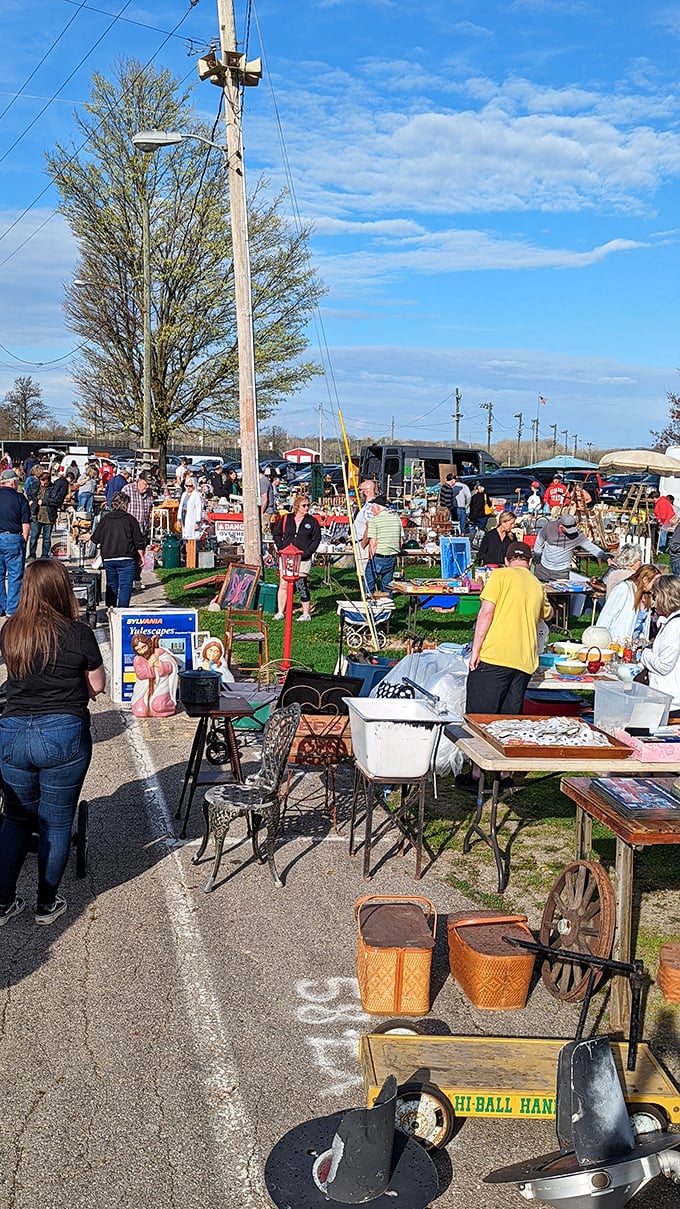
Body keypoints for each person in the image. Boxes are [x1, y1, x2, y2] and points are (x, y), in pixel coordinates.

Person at [0, 560, 105, 927]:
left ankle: (4, 901)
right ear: (62, 589)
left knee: (15, 818)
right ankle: (46, 903)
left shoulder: (12, 630)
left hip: (13, 730)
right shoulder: (78, 632)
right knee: (57, 820)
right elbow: (97, 686)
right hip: (62, 729)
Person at [465, 541, 553, 716]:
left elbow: (486, 612)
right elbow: (548, 614)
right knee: (508, 722)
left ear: (506, 560)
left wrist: (475, 650)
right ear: (529, 563)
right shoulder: (537, 584)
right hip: (524, 661)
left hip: (495, 656)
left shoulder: (499, 576)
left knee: (479, 721)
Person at [91, 492, 146, 608]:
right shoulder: (130, 520)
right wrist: (141, 556)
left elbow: (96, 538)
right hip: (126, 557)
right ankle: (122, 611)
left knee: (111, 584)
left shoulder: (106, 519)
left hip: (109, 557)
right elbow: (138, 541)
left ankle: (110, 609)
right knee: (125, 586)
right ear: (125, 505)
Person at [272, 494, 322, 621]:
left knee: (301, 584)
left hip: (303, 557)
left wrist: (308, 552)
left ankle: (306, 613)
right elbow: (277, 533)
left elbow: (316, 539)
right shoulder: (286, 519)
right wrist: (281, 547)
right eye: (304, 506)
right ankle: (280, 611)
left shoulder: (312, 521)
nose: (306, 508)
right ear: (297, 507)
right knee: (283, 584)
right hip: (287, 556)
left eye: (308, 505)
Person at [638, 575, 680, 714]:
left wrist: (644, 654)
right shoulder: (670, 622)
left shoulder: (675, 627)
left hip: (670, 700)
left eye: (655, 597)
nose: (654, 603)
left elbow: (664, 666)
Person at [595, 563, 659, 648]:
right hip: (616, 642)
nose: (658, 585)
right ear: (645, 579)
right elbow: (607, 615)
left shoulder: (647, 596)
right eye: (655, 582)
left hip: (634, 645)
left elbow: (643, 626)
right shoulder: (624, 589)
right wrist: (598, 639)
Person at [533, 514, 609, 582]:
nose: (571, 533)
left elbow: (591, 547)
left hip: (561, 571)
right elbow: (538, 543)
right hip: (543, 568)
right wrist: (537, 561)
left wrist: (606, 558)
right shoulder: (548, 527)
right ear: (561, 526)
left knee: (561, 596)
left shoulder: (577, 535)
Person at [0, 468, 30, 615]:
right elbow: (25, 524)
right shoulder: (20, 498)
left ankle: (0, 606)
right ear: (12, 482)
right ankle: (12, 609)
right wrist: (23, 540)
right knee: (15, 575)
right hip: (13, 537)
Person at [130, 632, 179, 718]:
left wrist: (158, 664)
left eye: (143, 647)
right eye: (138, 650)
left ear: (148, 644)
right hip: (144, 690)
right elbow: (141, 675)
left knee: (159, 706)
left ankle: (169, 705)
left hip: (160, 686)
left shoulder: (159, 652)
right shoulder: (138, 659)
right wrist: (150, 665)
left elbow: (170, 667)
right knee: (140, 711)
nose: (142, 651)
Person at [361, 494, 403, 594]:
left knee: (368, 585)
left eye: (372, 508)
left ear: (377, 507)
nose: (371, 510)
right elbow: (400, 542)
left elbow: (373, 544)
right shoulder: (396, 519)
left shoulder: (374, 521)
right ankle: (388, 607)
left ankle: (367, 606)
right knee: (387, 587)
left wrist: (370, 559)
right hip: (392, 557)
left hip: (378, 557)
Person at [352, 478, 378, 575]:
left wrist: (363, 543)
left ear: (366, 491)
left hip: (364, 544)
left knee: (364, 574)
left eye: (360, 490)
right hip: (362, 542)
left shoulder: (370, 507)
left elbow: (371, 525)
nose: (358, 493)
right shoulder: (367, 505)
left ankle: (366, 590)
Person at [178, 477, 204, 545]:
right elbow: (181, 505)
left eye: (190, 486)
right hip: (184, 515)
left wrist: (197, 522)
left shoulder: (196, 495)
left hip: (192, 518)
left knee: (192, 536)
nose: (188, 487)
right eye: (187, 486)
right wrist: (179, 519)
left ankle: (193, 552)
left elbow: (199, 509)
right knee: (185, 534)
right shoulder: (184, 494)